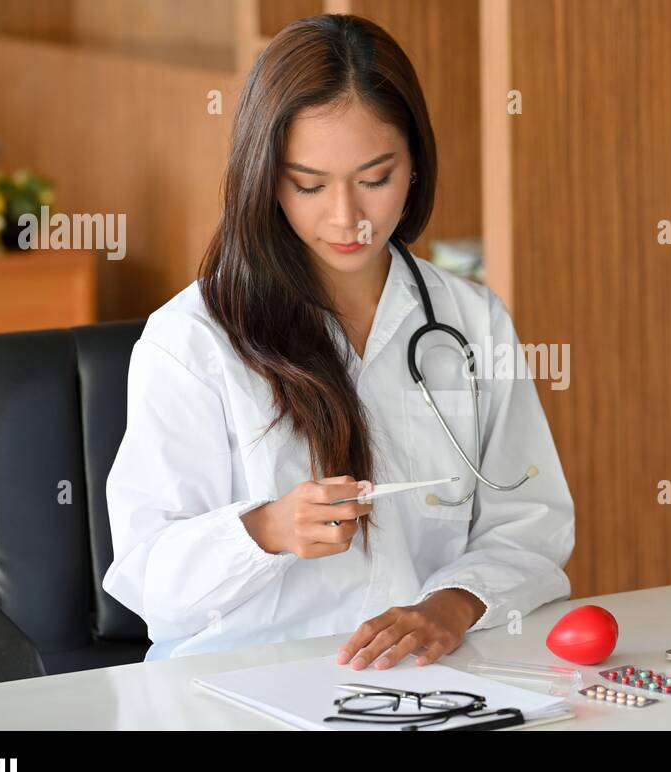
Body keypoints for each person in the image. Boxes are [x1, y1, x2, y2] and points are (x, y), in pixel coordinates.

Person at [102, 14, 574, 667]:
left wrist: (454, 602)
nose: (347, 218)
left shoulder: (471, 321)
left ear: (414, 166)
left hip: (425, 679)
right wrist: (264, 530)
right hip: (242, 686)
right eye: (309, 185)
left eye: (375, 178)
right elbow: (151, 579)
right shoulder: (191, 341)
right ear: (265, 178)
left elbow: (530, 520)